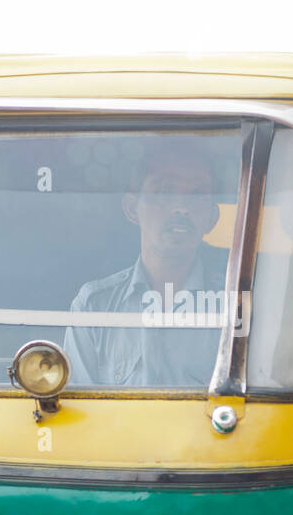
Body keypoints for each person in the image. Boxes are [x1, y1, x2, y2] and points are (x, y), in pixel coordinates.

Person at [63, 149, 226, 387]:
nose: (181, 207)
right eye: (164, 191)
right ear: (132, 208)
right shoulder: (93, 305)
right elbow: (80, 410)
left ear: (213, 217)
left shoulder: (233, 306)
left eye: (198, 194)